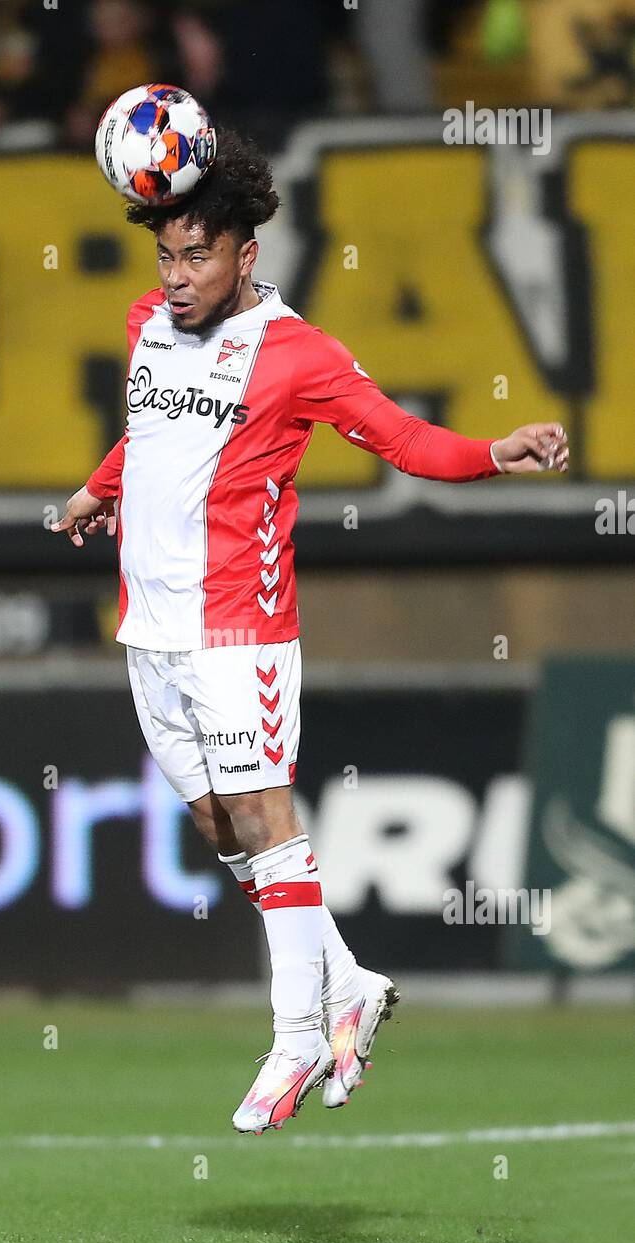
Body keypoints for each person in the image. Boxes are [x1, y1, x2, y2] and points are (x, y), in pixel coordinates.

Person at [51, 130, 569, 1136]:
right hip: (147, 630)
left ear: (246, 254)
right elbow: (151, 429)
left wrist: (494, 452)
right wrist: (95, 486)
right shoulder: (146, 326)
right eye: (166, 254)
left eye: (197, 254)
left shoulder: (300, 356)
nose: (178, 274)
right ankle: (349, 983)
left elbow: (402, 439)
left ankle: (296, 1032)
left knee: (263, 816)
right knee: (218, 829)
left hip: (238, 630)